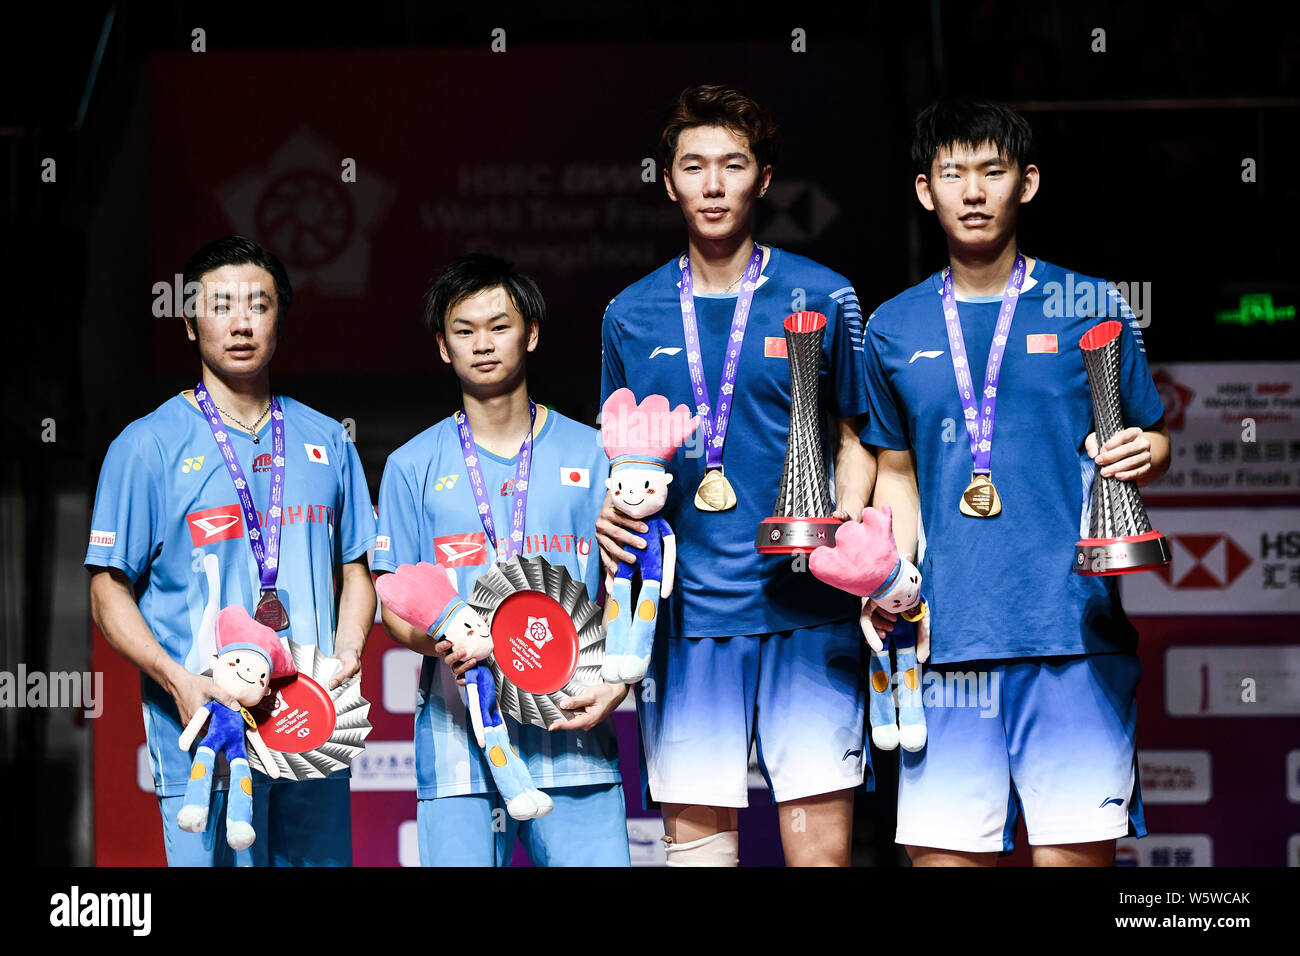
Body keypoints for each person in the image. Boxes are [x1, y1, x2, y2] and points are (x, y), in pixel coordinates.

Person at [861, 98, 1170, 866]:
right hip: (944, 640)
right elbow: (894, 468)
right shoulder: (892, 327)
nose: (973, 191)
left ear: (1025, 183)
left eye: (992, 171)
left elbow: (1152, 439)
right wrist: (889, 580)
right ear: (924, 190)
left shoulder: (1092, 305)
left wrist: (1146, 454)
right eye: (953, 173)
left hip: (1071, 631)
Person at [598, 85, 876, 866]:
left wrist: (842, 546)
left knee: (817, 857)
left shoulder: (823, 293)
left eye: (732, 165)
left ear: (763, 178)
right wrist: (609, 517)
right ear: (668, 181)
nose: (713, 184)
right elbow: (619, 456)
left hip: (806, 612)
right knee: (701, 861)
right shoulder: (632, 312)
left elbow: (857, 440)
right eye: (694, 166)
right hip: (687, 623)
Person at [87, 235, 377, 866]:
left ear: (281, 317)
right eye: (220, 305)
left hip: (310, 723)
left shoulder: (328, 439)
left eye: (258, 304)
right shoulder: (146, 447)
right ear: (190, 322)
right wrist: (177, 680)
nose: (241, 321)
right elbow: (107, 588)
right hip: (204, 728)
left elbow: (357, 568)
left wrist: (349, 653)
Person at [375, 253, 630, 866]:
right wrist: (445, 644)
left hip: (575, 730)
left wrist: (618, 681)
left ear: (532, 333)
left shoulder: (594, 452)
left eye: (499, 326)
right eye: (464, 331)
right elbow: (392, 602)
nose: (482, 344)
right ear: (443, 347)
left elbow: (626, 576)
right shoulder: (411, 466)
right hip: (459, 742)